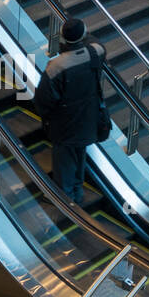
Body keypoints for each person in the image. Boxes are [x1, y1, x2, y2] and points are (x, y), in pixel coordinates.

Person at [34, 18, 108, 203]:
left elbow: (43, 100)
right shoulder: (95, 52)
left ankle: (65, 200)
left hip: (65, 123)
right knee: (79, 154)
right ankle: (77, 192)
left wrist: (48, 119)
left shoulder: (56, 66)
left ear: (63, 38)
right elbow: (95, 42)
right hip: (88, 118)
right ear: (83, 35)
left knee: (64, 161)